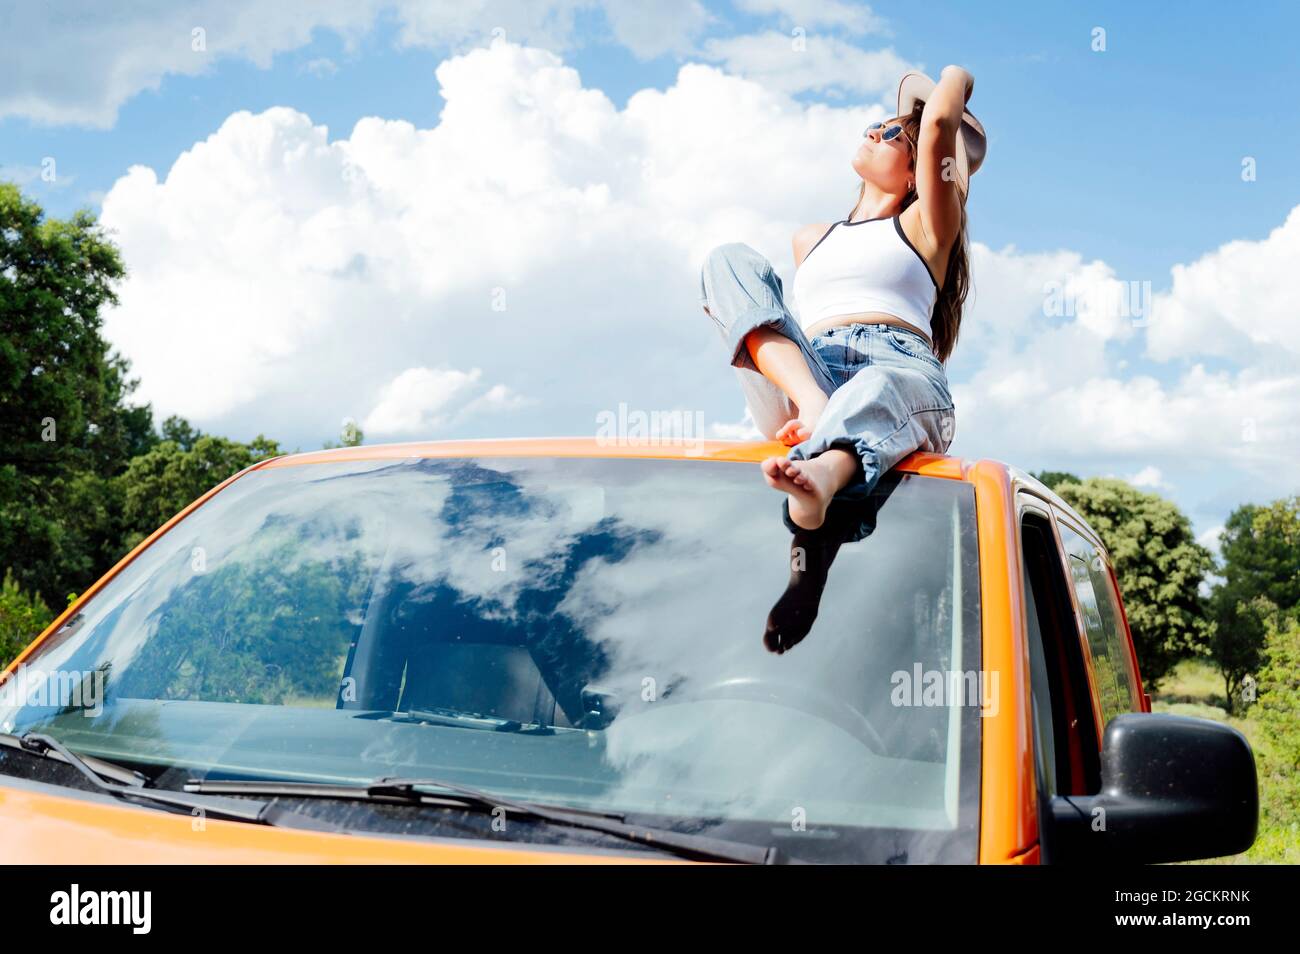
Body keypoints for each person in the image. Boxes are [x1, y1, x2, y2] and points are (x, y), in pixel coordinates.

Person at [699, 67, 986, 530]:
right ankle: (816, 411)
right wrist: (811, 397)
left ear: (918, 173)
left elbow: (936, 125)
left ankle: (821, 475)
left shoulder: (928, 229)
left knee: (874, 387)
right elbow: (760, 316)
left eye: (893, 133)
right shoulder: (810, 239)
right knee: (728, 259)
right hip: (806, 382)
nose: (875, 130)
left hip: (895, 369)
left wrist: (958, 77)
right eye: (876, 125)